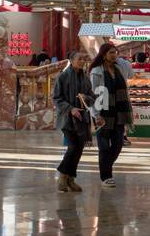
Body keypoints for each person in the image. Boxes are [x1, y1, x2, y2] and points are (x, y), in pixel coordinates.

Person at [89, 43, 134, 185]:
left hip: (119, 113)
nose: (114, 55)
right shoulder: (96, 71)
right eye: (111, 53)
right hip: (103, 112)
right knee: (104, 146)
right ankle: (106, 176)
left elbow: (127, 84)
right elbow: (92, 94)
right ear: (103, 55)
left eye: (115, 52)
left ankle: (105, 166)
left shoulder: (119, 68)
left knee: (118, 144)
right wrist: (96, 114)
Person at [52, 50, 95, 192]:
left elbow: (92, 97)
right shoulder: (63, 77)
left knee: (79, 149)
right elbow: (57, 98)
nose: (83, 61)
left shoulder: (85, 78)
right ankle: (63, 176)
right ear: (71, 60)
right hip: (67, 118)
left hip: (82, 119)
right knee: (72, 147)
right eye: (79, 59)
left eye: (84, 59)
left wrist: (86, 97)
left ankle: (71, 179)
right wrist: (71, 109)